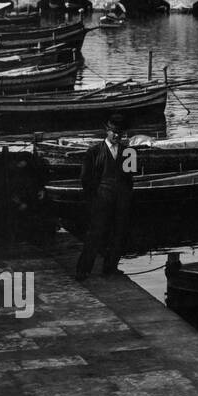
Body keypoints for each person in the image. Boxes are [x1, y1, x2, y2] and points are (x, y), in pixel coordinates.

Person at [77, 114, 135, 280]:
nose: (117, 136)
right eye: (114, 132)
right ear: (107, 131)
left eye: (120, 133)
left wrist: (126, 197)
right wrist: (93, 200)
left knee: (119, 234)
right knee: (95, 235)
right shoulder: (94, 152)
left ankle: (111, 267)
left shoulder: (129, 152)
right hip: (101, 200)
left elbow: (130, 178)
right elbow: (85, 179)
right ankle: (83, 270)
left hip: (121, 200)